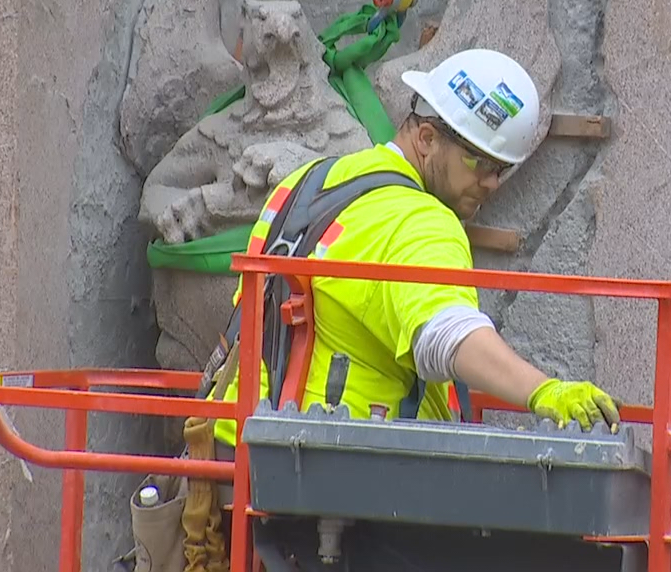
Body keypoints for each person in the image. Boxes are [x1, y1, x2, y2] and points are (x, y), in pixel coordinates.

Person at [209, 47, 623, 448]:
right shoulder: (422, 220)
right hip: (327, 462)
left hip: (230, 437)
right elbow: (447, 333)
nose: (492, 183)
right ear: (427, 138)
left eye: (502, 169)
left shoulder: (306, 182)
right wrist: (543, 390)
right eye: (480, 163)